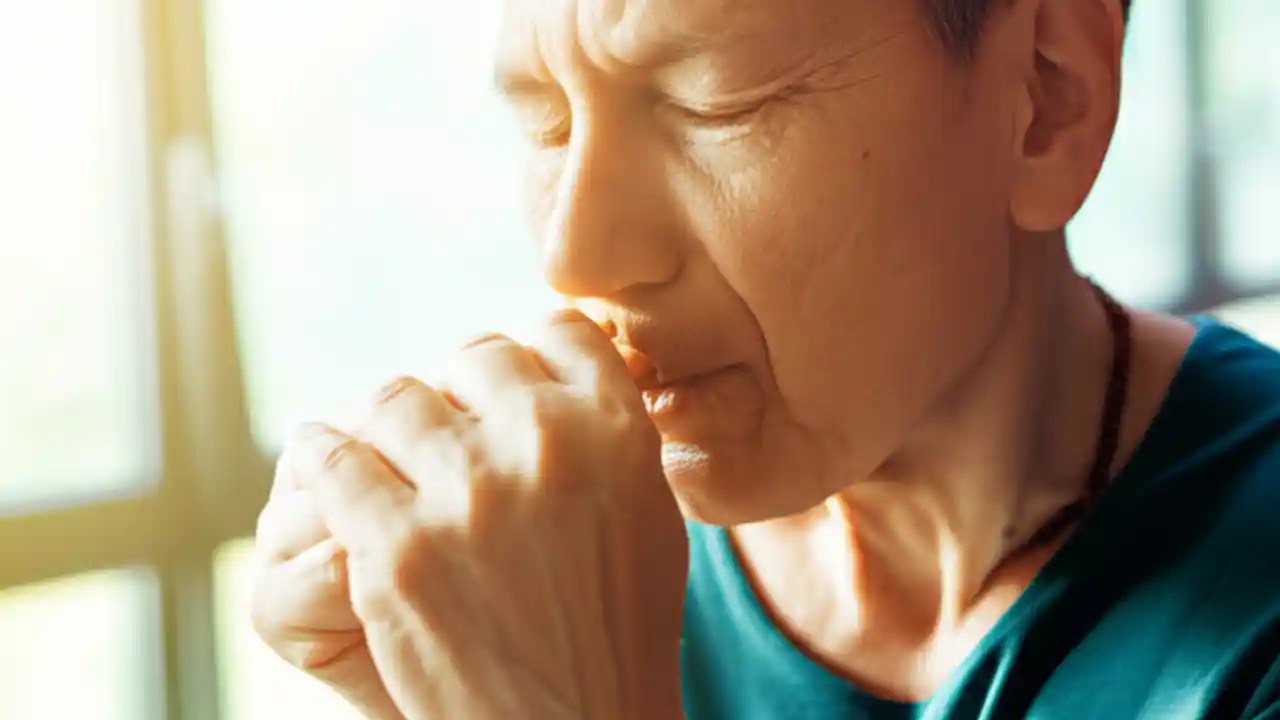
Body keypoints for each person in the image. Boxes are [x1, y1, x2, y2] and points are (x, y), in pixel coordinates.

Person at [249, 0, 1280, 717]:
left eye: (713, 107)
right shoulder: (554, 555)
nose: (576, 255)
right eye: (548, 125)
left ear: (1047, 94)